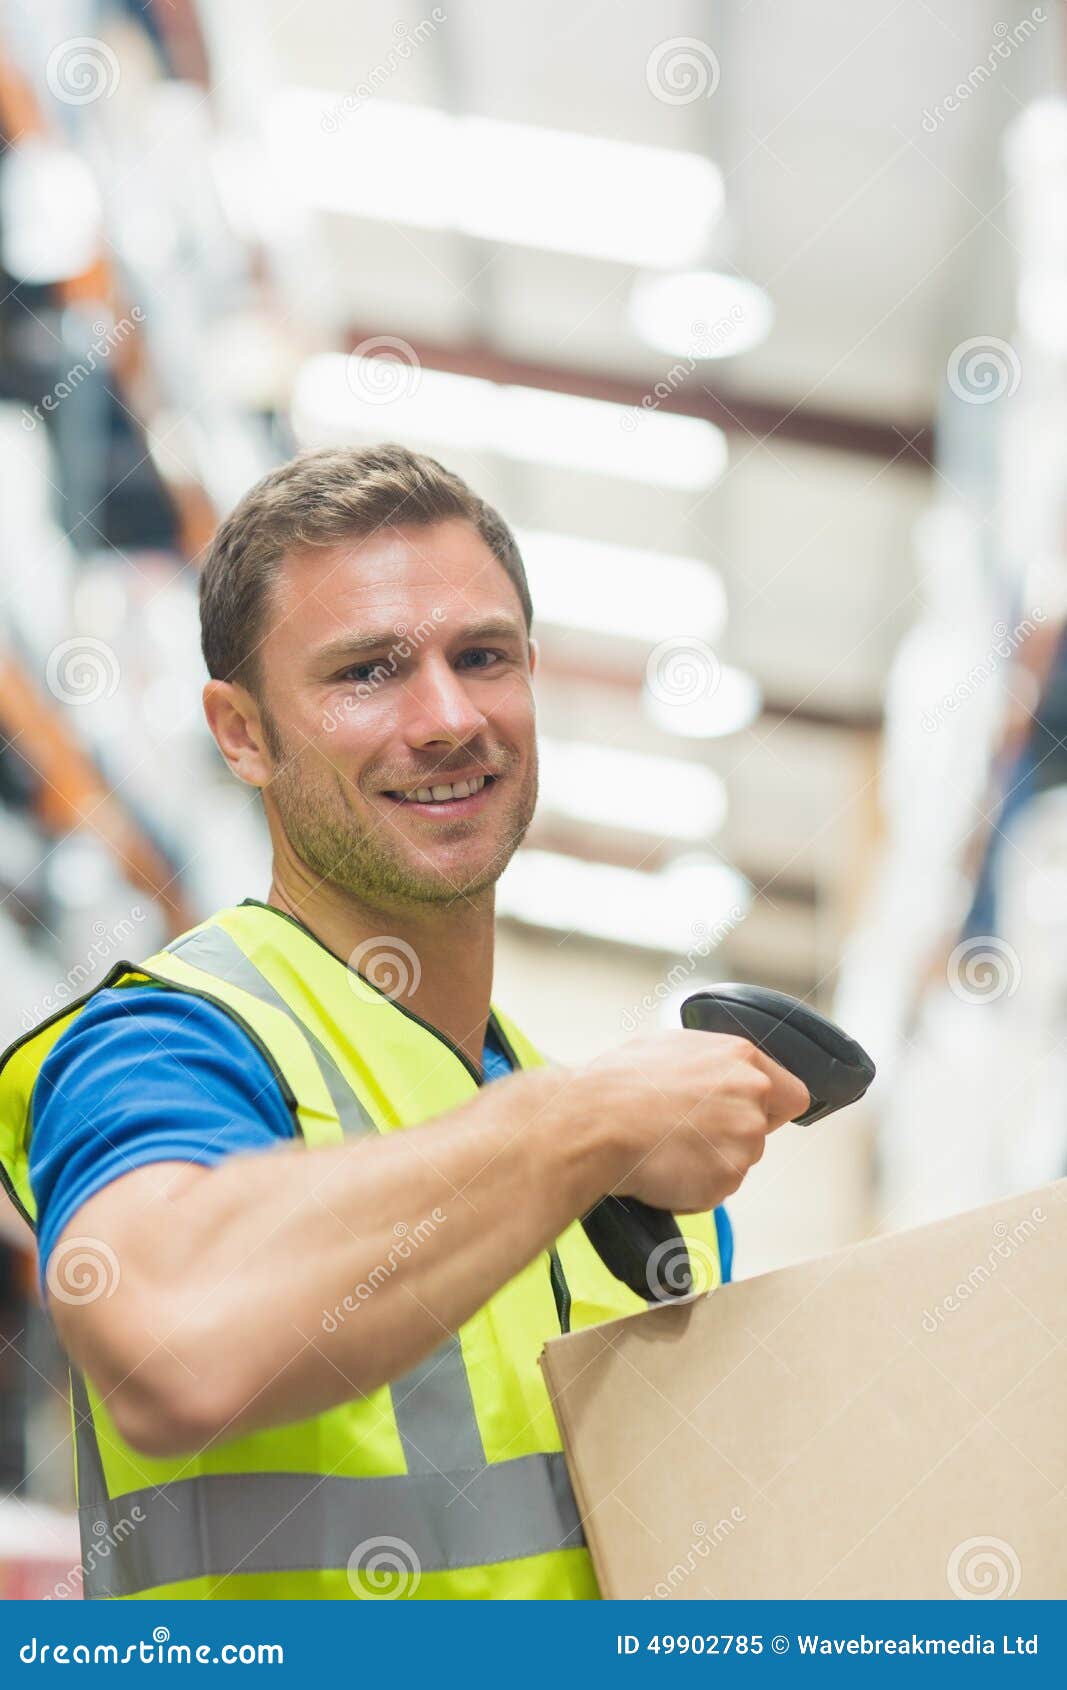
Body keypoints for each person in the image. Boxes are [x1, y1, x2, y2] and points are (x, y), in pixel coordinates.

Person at [0, 443, 807, 1599]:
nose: (444, 717)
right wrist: (577, 1124)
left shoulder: (628, 1164)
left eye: (481, 657)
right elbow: (170, 1338)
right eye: (367, 671)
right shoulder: (172, 1043)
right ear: (240, 733)